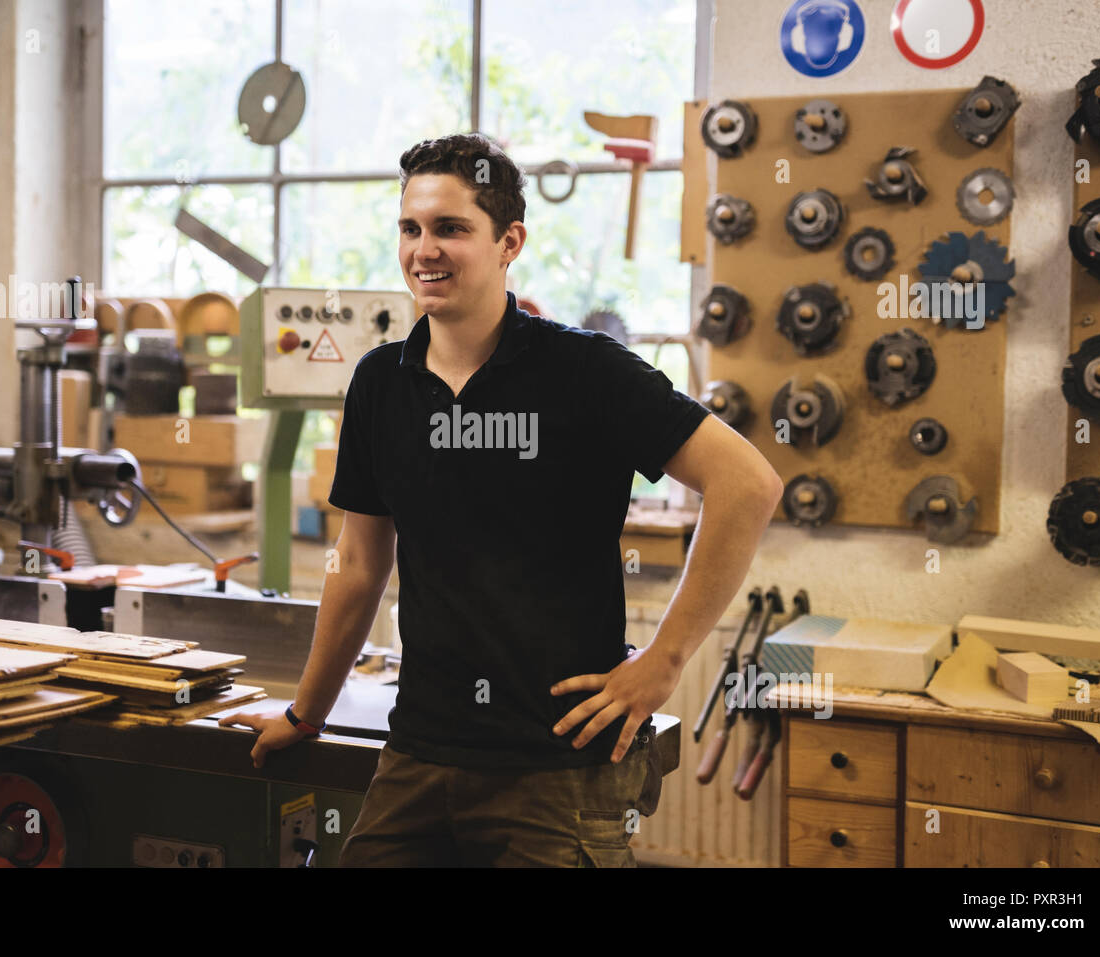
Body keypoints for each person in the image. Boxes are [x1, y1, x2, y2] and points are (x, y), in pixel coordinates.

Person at [220, 132, 783, 866]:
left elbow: (748, 484)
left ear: (508, 240)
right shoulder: (379, 384)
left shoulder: (583, 370)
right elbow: (358, 563)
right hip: (418, 754)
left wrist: (665, 660)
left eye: (451, 228)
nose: (426, 249)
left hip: (559, 772)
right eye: (412, 228)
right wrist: (307, 713)